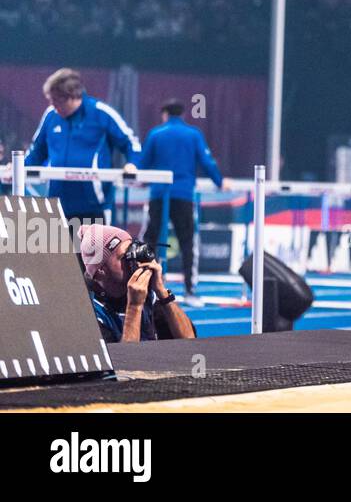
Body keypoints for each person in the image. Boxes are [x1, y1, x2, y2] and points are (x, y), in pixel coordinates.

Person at [25, 68, 141, 224]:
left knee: (88, 250)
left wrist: (132, 164)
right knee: (55, 249)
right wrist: (19, 167)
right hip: (56, 206)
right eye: (51, 101)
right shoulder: (51, 115)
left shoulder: (101, 113)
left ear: (72, 96)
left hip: (93, 208)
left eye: (57, 101)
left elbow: (131, 143)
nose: (53, 105)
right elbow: (37, 151)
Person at [140, 99, 224, 299]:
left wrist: (139, 179)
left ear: (165, 114)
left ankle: (145, 284)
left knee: (150, 241)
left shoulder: (155, 134)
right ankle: (190, 290)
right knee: (187, 242)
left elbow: (142, 163)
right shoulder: (193, 134)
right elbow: (207, 162)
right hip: (183, 195)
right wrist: (219, 181)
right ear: (183, 114)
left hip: (159, 194)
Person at [79, 223, 196, 343]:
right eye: (125, 256)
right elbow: (126, 360)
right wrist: (134, 306)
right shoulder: (90, 314)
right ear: (101, 271)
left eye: (133, 249)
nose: (134, 260)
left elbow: (189, 342)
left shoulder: (148, 295)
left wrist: (163, 294)